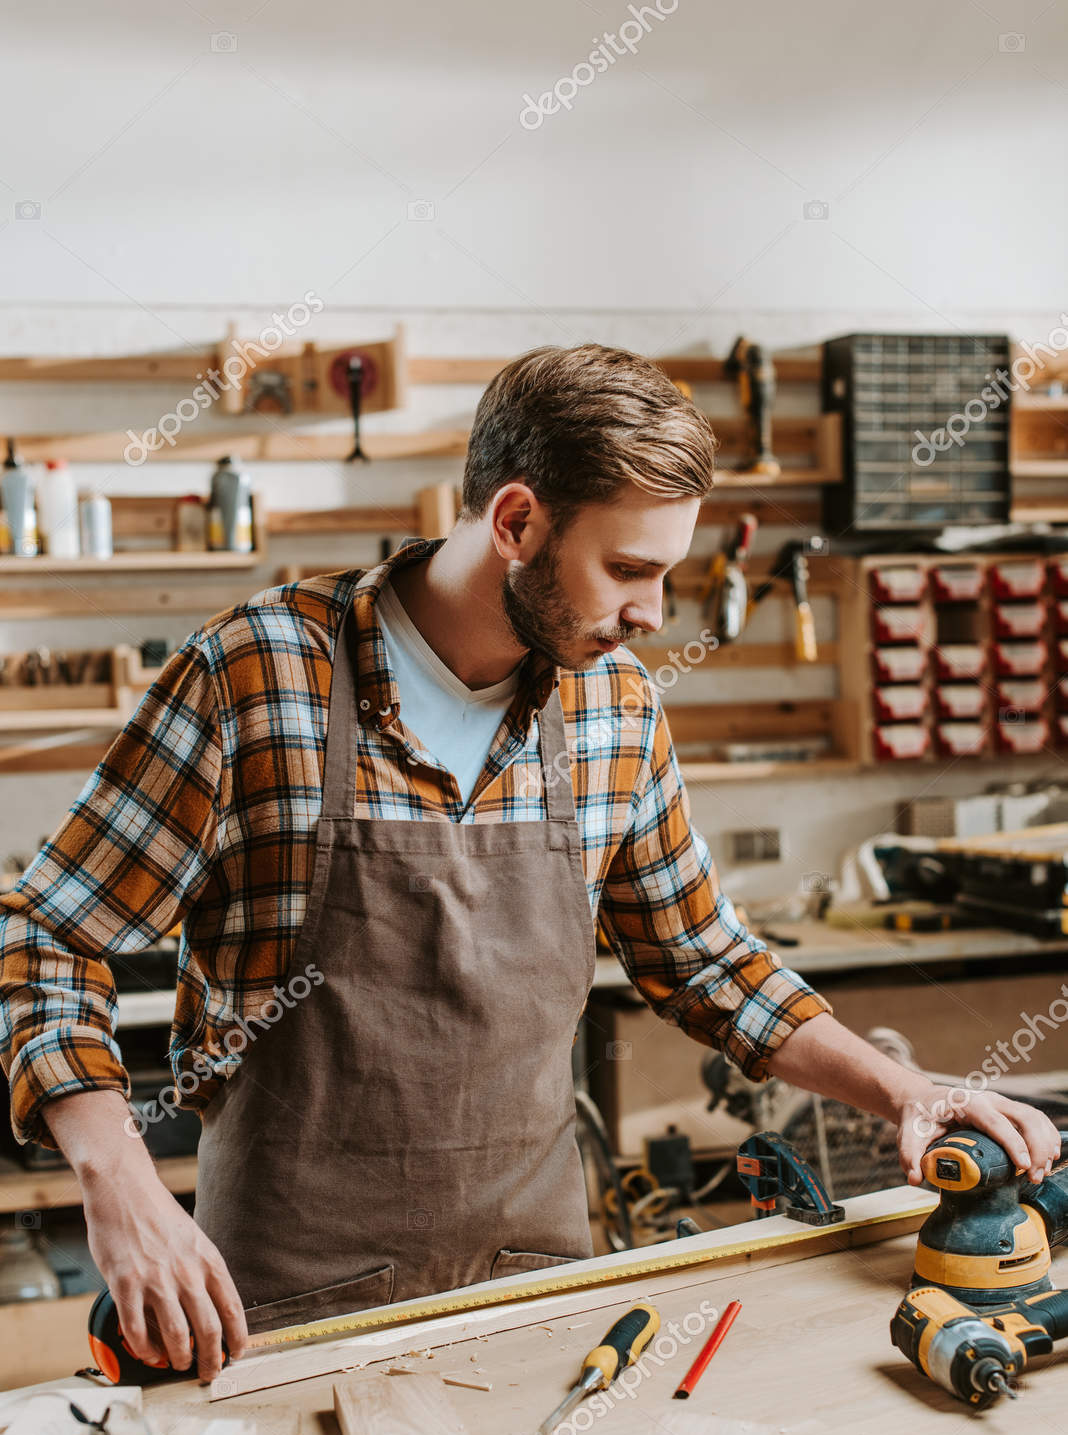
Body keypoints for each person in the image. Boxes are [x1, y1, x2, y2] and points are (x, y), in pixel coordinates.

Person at [0, 343, 1058, 1381]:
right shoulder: (256, 673)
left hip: (539, 1296)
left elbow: (702, 961)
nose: (651, 612)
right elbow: (45, 934)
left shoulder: (617, 706)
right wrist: (119, 1180)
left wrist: (906, 1090)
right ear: (516, 521)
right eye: (631, 569)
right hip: (280, 1309)